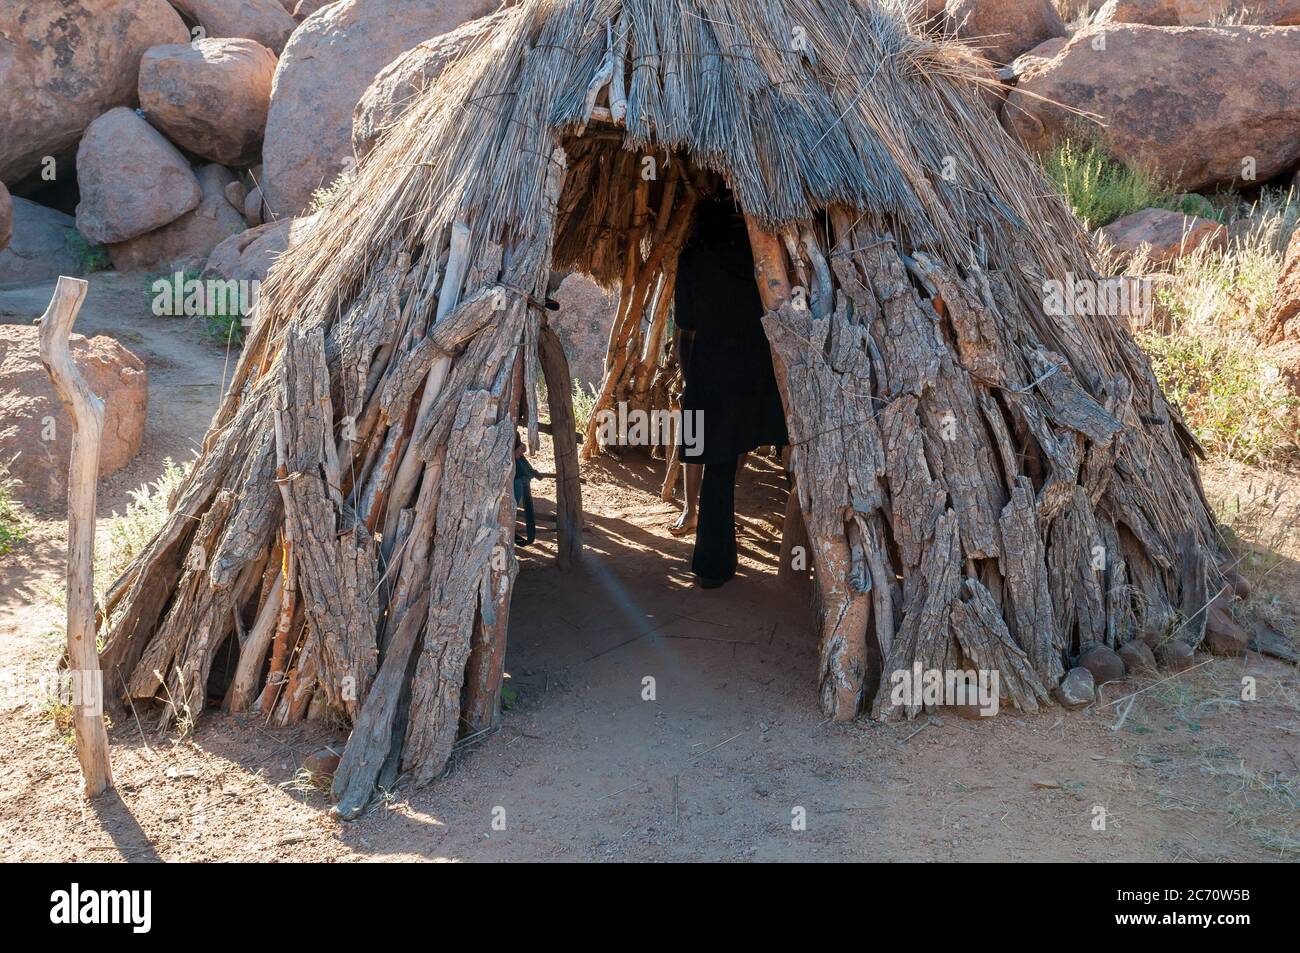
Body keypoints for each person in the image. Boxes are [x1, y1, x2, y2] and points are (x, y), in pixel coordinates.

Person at [672, 195, 787, 588]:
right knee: (782, 456)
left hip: (709, 374)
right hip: (757, 374)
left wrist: (689, 376)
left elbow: (685, 322)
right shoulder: (759, 254)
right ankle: (799, 558)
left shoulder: (692, 258)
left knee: (712, 462)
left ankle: (710, 563)